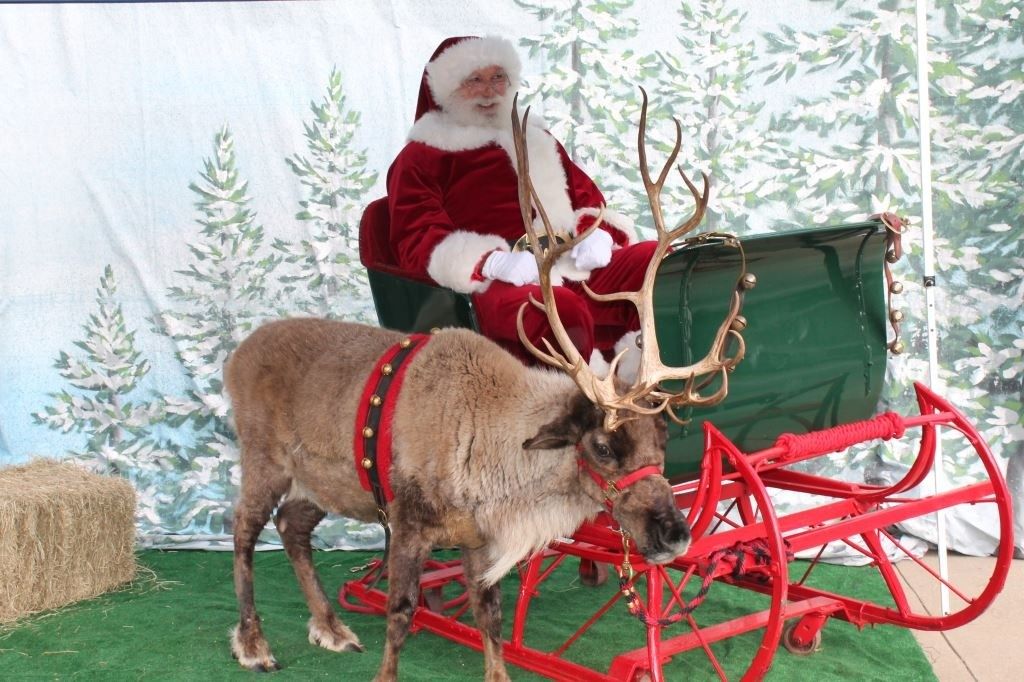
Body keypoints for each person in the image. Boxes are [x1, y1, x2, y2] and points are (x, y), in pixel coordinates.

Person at [386, 35, 658, 376]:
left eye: (498, 77)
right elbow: (417, 235)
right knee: (560, 311)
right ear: (449, 88)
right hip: (496, 284)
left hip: (568, 261)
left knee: (656, 262)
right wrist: (491, 261)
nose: (489, 91)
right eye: (475, 80)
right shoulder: (422, 157)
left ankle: (643, 376)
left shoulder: (536, 137)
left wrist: (597, 233)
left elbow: (586, 196)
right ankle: (579, 404)